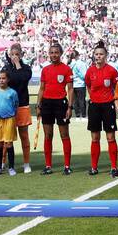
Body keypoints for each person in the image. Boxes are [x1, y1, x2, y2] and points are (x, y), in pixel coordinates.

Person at [38, 41, 75, 175]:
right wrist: (38, 105)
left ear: (60, 54)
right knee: (48, 135)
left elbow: (70, 90)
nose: (54, 55)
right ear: (49, 54)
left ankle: (67, 166)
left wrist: (70, 107)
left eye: (56, 52)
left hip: (61, 104)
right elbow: (41, 88)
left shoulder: (66, 69)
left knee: (64, 135)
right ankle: (48, 166)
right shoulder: (45, 70)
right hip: (47, 104)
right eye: (51, 52)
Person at [84, 43, 118, 177]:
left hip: (108, 106)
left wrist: (115, 103)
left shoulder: (111, 70)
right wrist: (94, 97)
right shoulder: (90, 71)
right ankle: (94, 167)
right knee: (95, 137)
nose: (98, 56)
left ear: (106, 56)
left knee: (110, 137)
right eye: (96, 54)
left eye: (101, 54)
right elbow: (88, 86)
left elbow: (117, 88)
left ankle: (114, 167)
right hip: (94, 106)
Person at [1, 43, 35, 173]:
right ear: (9, 55)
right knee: (6, 137)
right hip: (8, 107)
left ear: (21, 55)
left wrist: (18, 65)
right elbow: (4, 81)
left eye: (17, 54)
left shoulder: (26, 68)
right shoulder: (6, 69)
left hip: (22, 105)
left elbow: (23, 78)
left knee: (24, 136)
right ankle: (3, 162)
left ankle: (26, 163)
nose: (14, 57)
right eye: (12, 54)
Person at [0, 70, 18, 176]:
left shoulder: (12, 92)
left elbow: (15, 105)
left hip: (9, 119)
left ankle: (11, 167)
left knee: (9, 143)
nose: (1, 80)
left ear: (8, 79)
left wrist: (12, 115)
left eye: (3, 78)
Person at [68, 48, 88, 120]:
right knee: (81, 100)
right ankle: (83, 115)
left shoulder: (70, 64)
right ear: (78, 55)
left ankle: (77, 115)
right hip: (80, 84)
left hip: (73, 84)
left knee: (75, 101)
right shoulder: (81, 64)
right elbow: (84, 75)